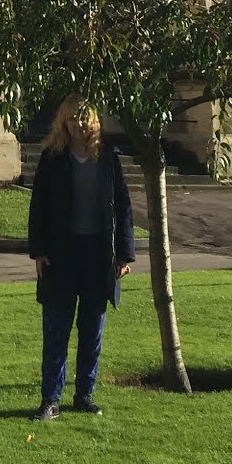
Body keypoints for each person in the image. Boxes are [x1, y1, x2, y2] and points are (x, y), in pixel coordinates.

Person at [26, 94, 135, 420]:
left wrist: (124, 255)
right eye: (72, 118)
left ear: (94, 121)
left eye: (84, 117)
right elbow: (39, 207)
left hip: (97, 256)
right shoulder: (52, 157)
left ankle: (85, 394)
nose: (78, 124)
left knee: (92, 330)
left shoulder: (108, 159)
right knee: (56, 329)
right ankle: (51, 399)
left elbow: (123, 207)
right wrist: (39, 251)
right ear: (64, 122)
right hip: (61, 255)